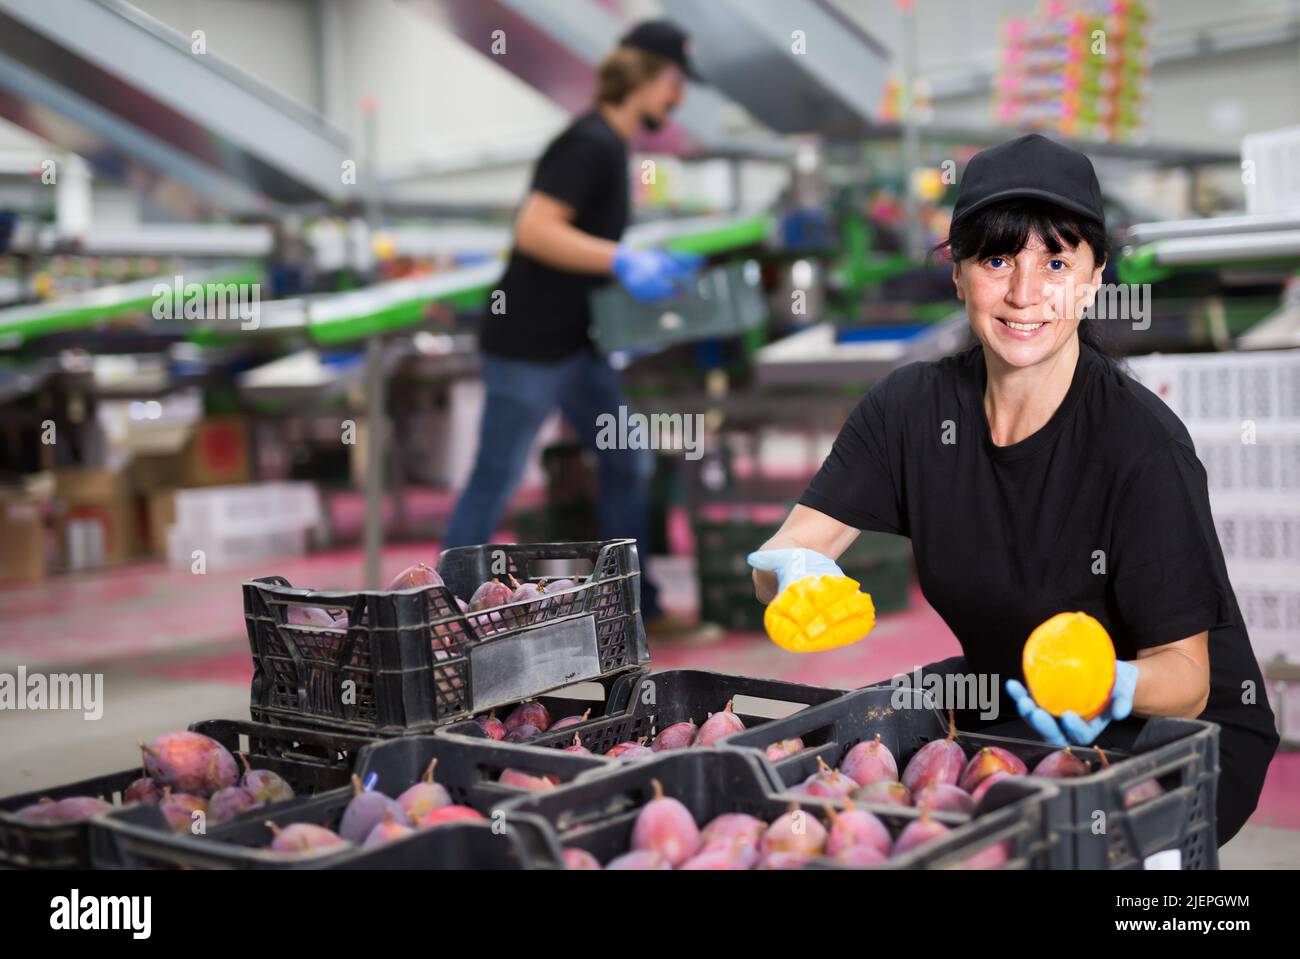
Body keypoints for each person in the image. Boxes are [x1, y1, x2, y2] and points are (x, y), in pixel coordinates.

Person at [748, 134, 1279, 845]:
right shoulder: (911, 407)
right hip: (1011, 692)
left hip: (1177, 733)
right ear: (959, 276)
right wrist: (792, 573)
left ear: (1093, 279)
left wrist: (1110, 682)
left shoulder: (1139, 445)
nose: (1026, 293)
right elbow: (779, 557)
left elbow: (1185, 674)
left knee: (1052, 843)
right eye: (997, 260)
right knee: (859, 754)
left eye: (1056, 262)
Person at [445, 20, 722, 645]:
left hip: (576, 344)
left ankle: (634, 608)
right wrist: (621, 260)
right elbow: (535, 231)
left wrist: (635, 273)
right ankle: (441, 618)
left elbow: (575, 246)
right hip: (528, 345)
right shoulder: (589, 143)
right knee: (497, 475)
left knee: (627, 459)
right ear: (647, 75)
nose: (678, 99)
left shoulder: (612, 146)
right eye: (675, 82)